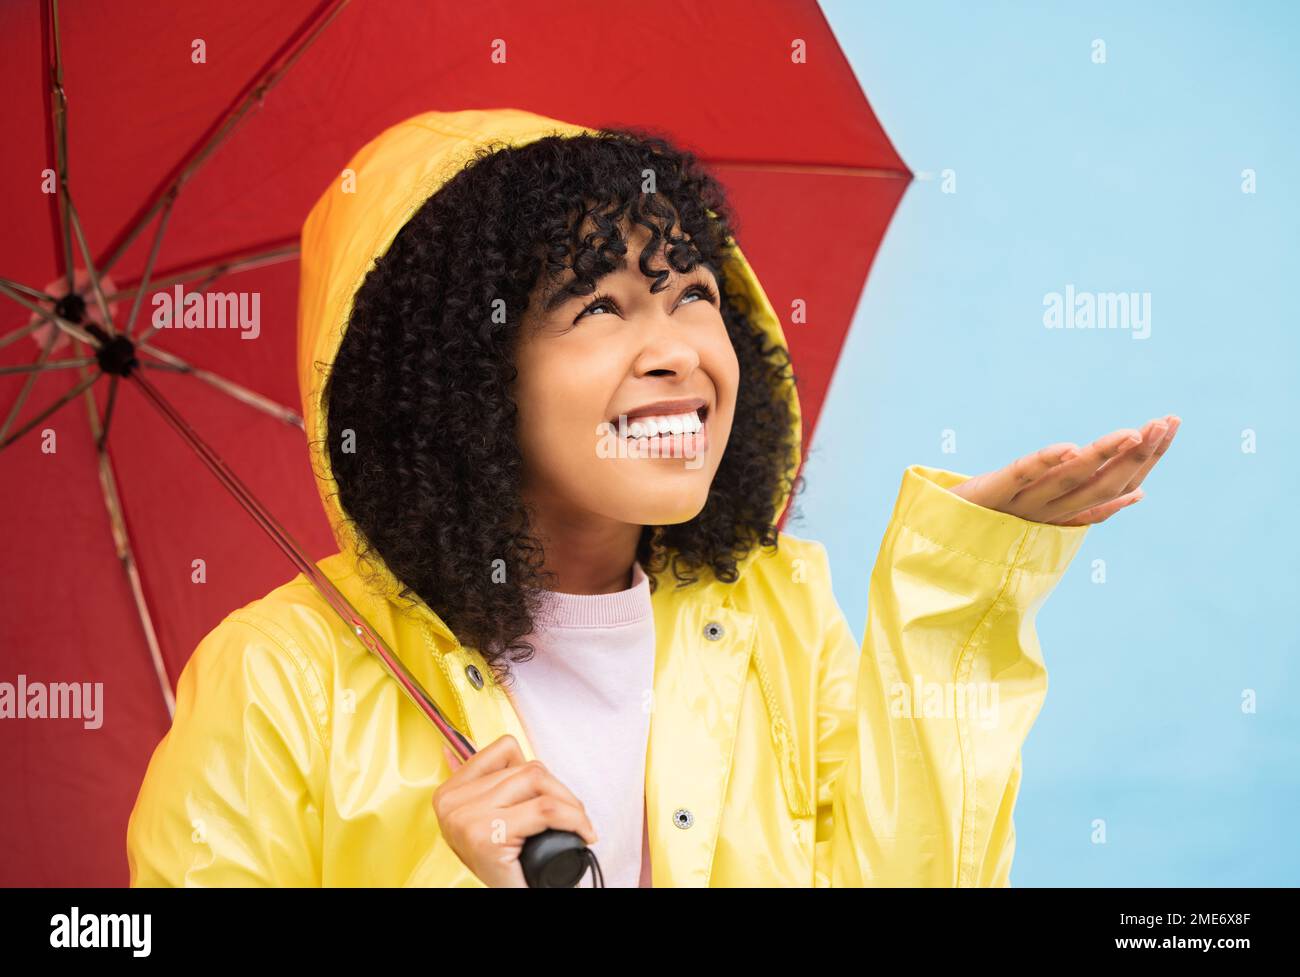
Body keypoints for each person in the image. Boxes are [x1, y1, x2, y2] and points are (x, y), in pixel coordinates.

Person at [125, 107, 1178, 887]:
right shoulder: (277, 680)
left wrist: (951, 598)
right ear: (463, 374)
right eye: (599, 307)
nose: (676, 349)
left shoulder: (774, 614)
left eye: (692, 294)